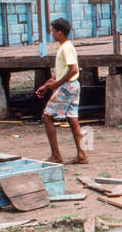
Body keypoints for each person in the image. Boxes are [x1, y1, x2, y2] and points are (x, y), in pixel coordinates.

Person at [35, 17, 88, 164]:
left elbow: (73, 70)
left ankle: (56, 155)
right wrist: (47, 85)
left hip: (68, 86)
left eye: (53, 31)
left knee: (47, 117)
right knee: (73, 120)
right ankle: (82, 155)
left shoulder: (66, 47)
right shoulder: (64, 47)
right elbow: (61, 71)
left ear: (60, 32)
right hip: (72, 85)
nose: (52, 34)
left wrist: (57, 84)